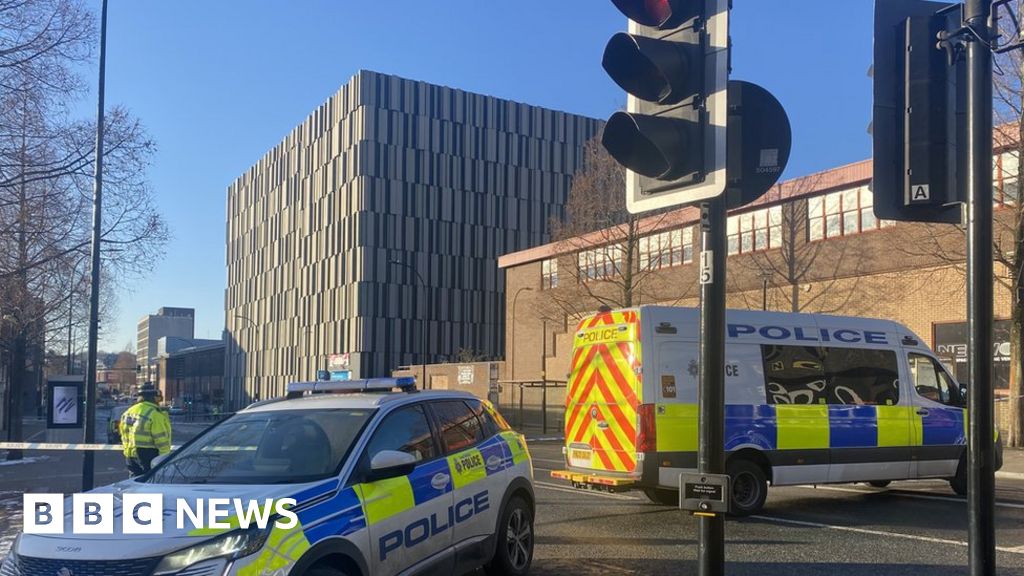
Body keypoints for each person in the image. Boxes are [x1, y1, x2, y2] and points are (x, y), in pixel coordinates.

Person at [120, 383, 172, 476]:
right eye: (158, 398)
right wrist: (164, 459)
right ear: (153, 397)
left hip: (130, 455)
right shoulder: (154, 414)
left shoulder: (128, 412)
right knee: (150, 484)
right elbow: (161, 440)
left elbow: (123, 433)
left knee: (134, 484)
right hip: (149, 455)